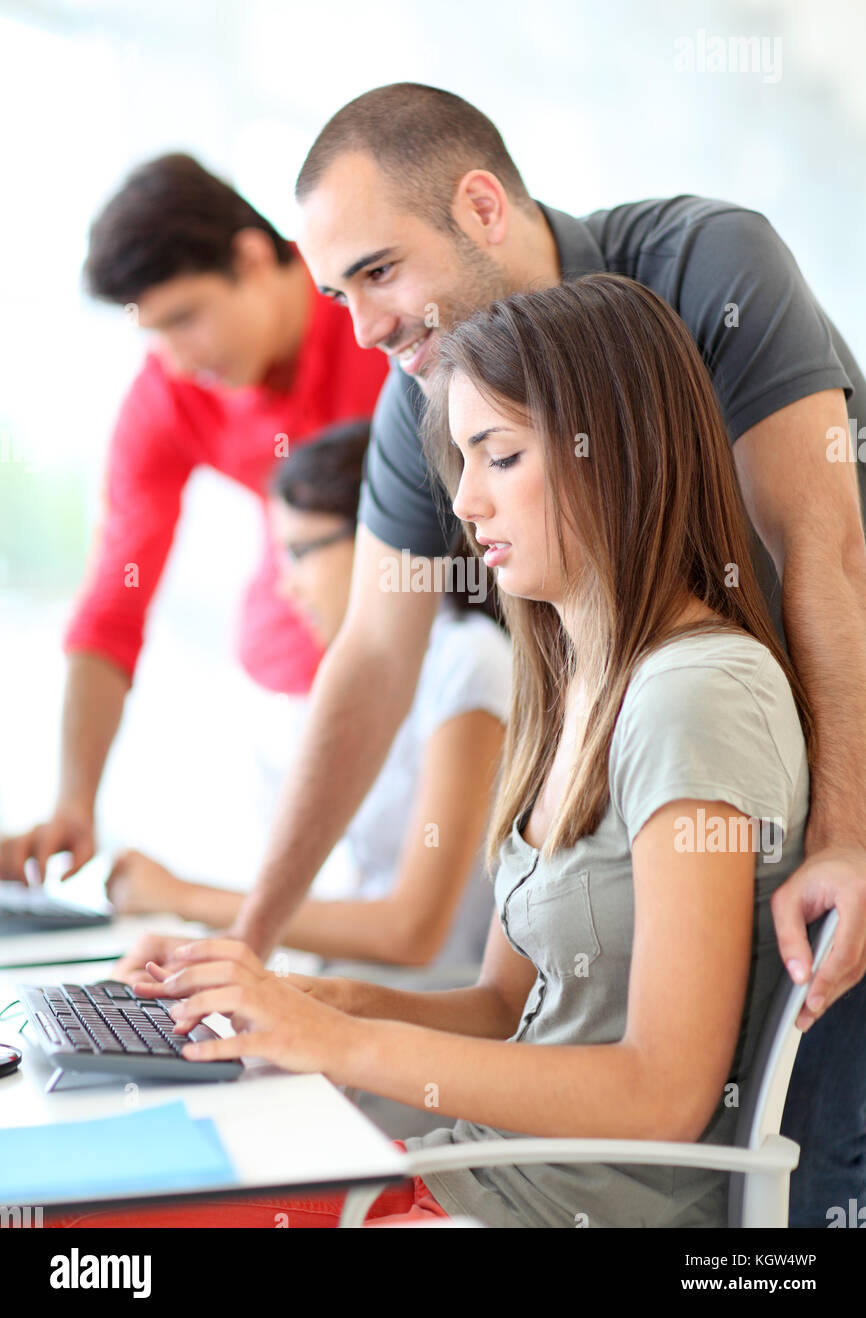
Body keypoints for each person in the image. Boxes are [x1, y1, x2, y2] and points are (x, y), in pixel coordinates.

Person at [116, 84, 866, 1228]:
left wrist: (845, 837)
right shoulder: (448, 422)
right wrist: (252, 961)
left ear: (478, 205)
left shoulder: (708, 270)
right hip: (508, 1160)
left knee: (804, 1175)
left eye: (375, 272)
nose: (361, 326)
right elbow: (370, 663)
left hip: (806, 771)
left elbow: (824, 551)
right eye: (335, 291)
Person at [0, 154, 386, 884]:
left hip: (436, 664)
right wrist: (74, 802)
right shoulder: (167, 397)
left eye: (185, 319)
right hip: (288, 691)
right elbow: (113, 605)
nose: (176, 360)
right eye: (154, 333)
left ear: (249, 257)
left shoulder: (381, 311)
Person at [108, 418, 510, 983]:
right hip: (356, 985)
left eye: (300, 552)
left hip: (430, 1008)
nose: (286, 586)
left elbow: (413, 931)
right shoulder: (373, 675)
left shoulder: (468, 660)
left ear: (378, 536)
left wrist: (182, 896)